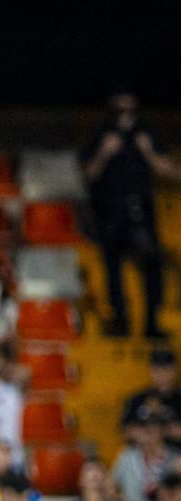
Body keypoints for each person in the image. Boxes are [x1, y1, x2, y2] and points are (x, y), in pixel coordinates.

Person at [81, 90, 177, 338]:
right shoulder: (101, 132)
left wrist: (148, 152)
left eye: (130, 110)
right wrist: (104, 153)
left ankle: (151, 324)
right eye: (119, 110)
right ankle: (120, 322)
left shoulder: (145, 132)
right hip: (109, 211)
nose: (125, 116)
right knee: (113, 268)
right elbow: (87, 175)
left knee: (152, 265)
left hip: (142, 211)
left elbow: (171, 171)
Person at [112, 411, 178, 501]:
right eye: (143, 427)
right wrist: (119, 499)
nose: (148, 431)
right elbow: (111, 485)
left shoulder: (175, 458)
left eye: (154, 426)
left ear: (163, 431)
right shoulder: (127, 456)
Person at [122, 348, 181, 442]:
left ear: (175, 370)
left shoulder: (178, 399)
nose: (162, 375)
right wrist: (140, 433)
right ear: (151, 371)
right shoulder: (138, 398)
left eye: (166, 370)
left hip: (175, 452)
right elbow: (125, 431)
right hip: (141, 452)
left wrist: (162, 432)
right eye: (157, 370)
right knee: (127, 455)